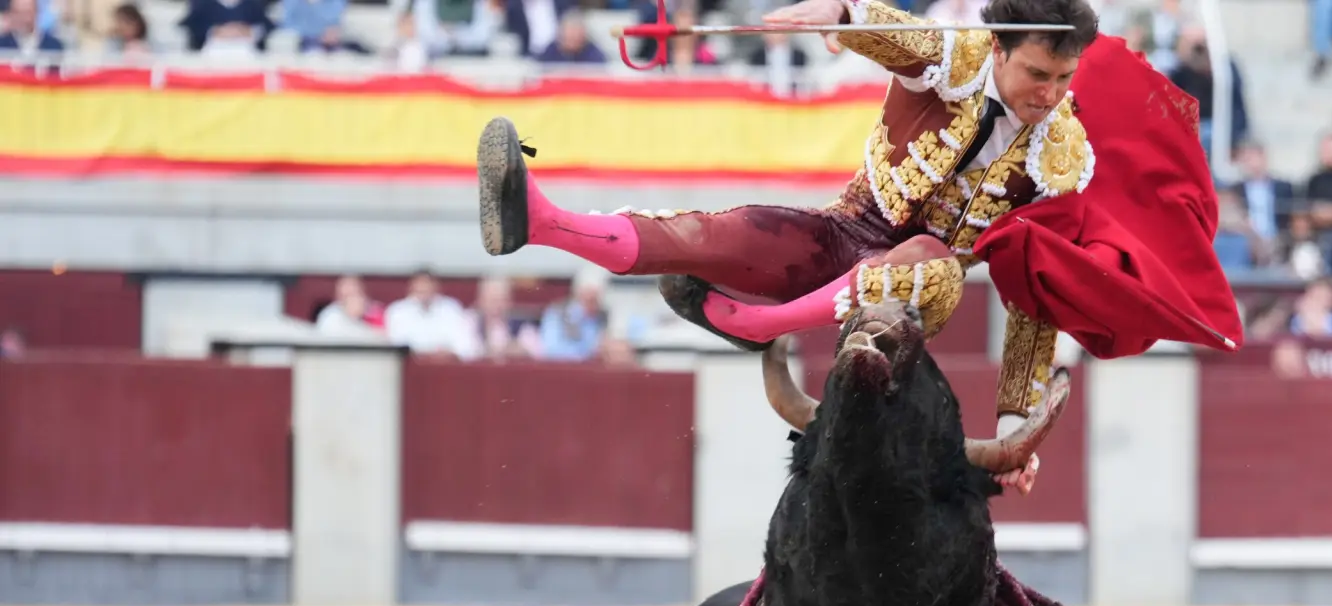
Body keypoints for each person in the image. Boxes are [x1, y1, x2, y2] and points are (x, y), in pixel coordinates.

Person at [473, 0, 1239, 493]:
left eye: (1065, 78)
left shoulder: (1065, 159)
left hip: (913, 298)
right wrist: (837, 13)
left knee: (929, 265)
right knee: (708, 235)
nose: (1050, 93)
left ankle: (749, 325)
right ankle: (539, 220)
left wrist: (1014, 422)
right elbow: (893, 34)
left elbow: (1035, 287)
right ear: (999, 50)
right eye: (1038, 73)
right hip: (841, 235)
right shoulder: (958, 58)